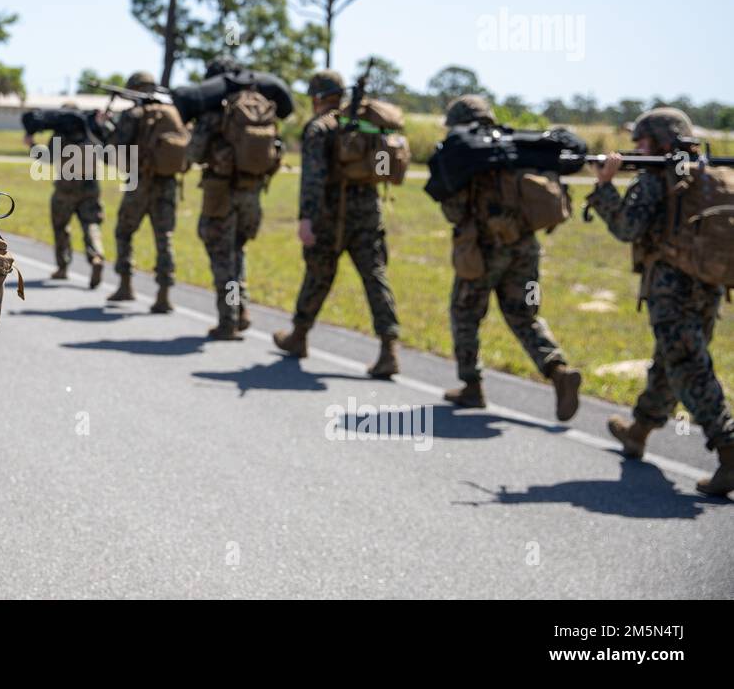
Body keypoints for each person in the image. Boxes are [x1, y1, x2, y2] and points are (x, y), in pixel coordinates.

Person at [586, 107, 733, 496]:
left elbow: (626, 227)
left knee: (687, 366)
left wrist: (604, 186)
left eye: (642, 140)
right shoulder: (702, 173)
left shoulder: (656, 179)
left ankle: (729, 448)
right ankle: (638, 432)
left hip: (672, 289)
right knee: (670, 360)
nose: (635, 146)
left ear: (661, 142)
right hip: (707, 286)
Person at [435, 95, 581, 420]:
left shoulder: (468, 155)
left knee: (465, 313)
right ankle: (558, 370)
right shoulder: (520, 149)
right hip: (526, 249)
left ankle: (472, 386)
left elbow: (454, 209)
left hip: (484, 249)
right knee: (524, 315)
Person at [272, 70, 399, 378]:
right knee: (374, 277)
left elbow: (312, 180)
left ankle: (299, 336)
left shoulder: (319, 128)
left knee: (318, 276)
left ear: (317, 98)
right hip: (368, 215)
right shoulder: (367, 125)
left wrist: (306, 219)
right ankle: (388, 350)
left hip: (330, 217)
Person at [187, 59, 280, 340]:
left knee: (221, 258)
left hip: (221, 194)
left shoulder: (216, 113)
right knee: (237, 252)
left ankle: (228, 321)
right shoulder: (260, 106)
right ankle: (241, 310)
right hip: (252, 193)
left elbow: (194, 153)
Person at [100, 72, 180, 313]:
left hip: (139, 183)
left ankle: (126, 286)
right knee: (164, 237)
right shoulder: (173, 112)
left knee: (124, 232)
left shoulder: (132, 115)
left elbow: (112, 152)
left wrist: (105, 126)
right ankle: (164, 295)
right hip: (167, 183)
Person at [25, 102, 105, 287]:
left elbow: (48, 158)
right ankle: (96, 257)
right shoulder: (90, 131)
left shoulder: (60, 135)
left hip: (65, 186)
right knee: (91, 224)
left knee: (61, 227)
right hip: (90, 185)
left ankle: (62, 267)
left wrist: (32, 145)